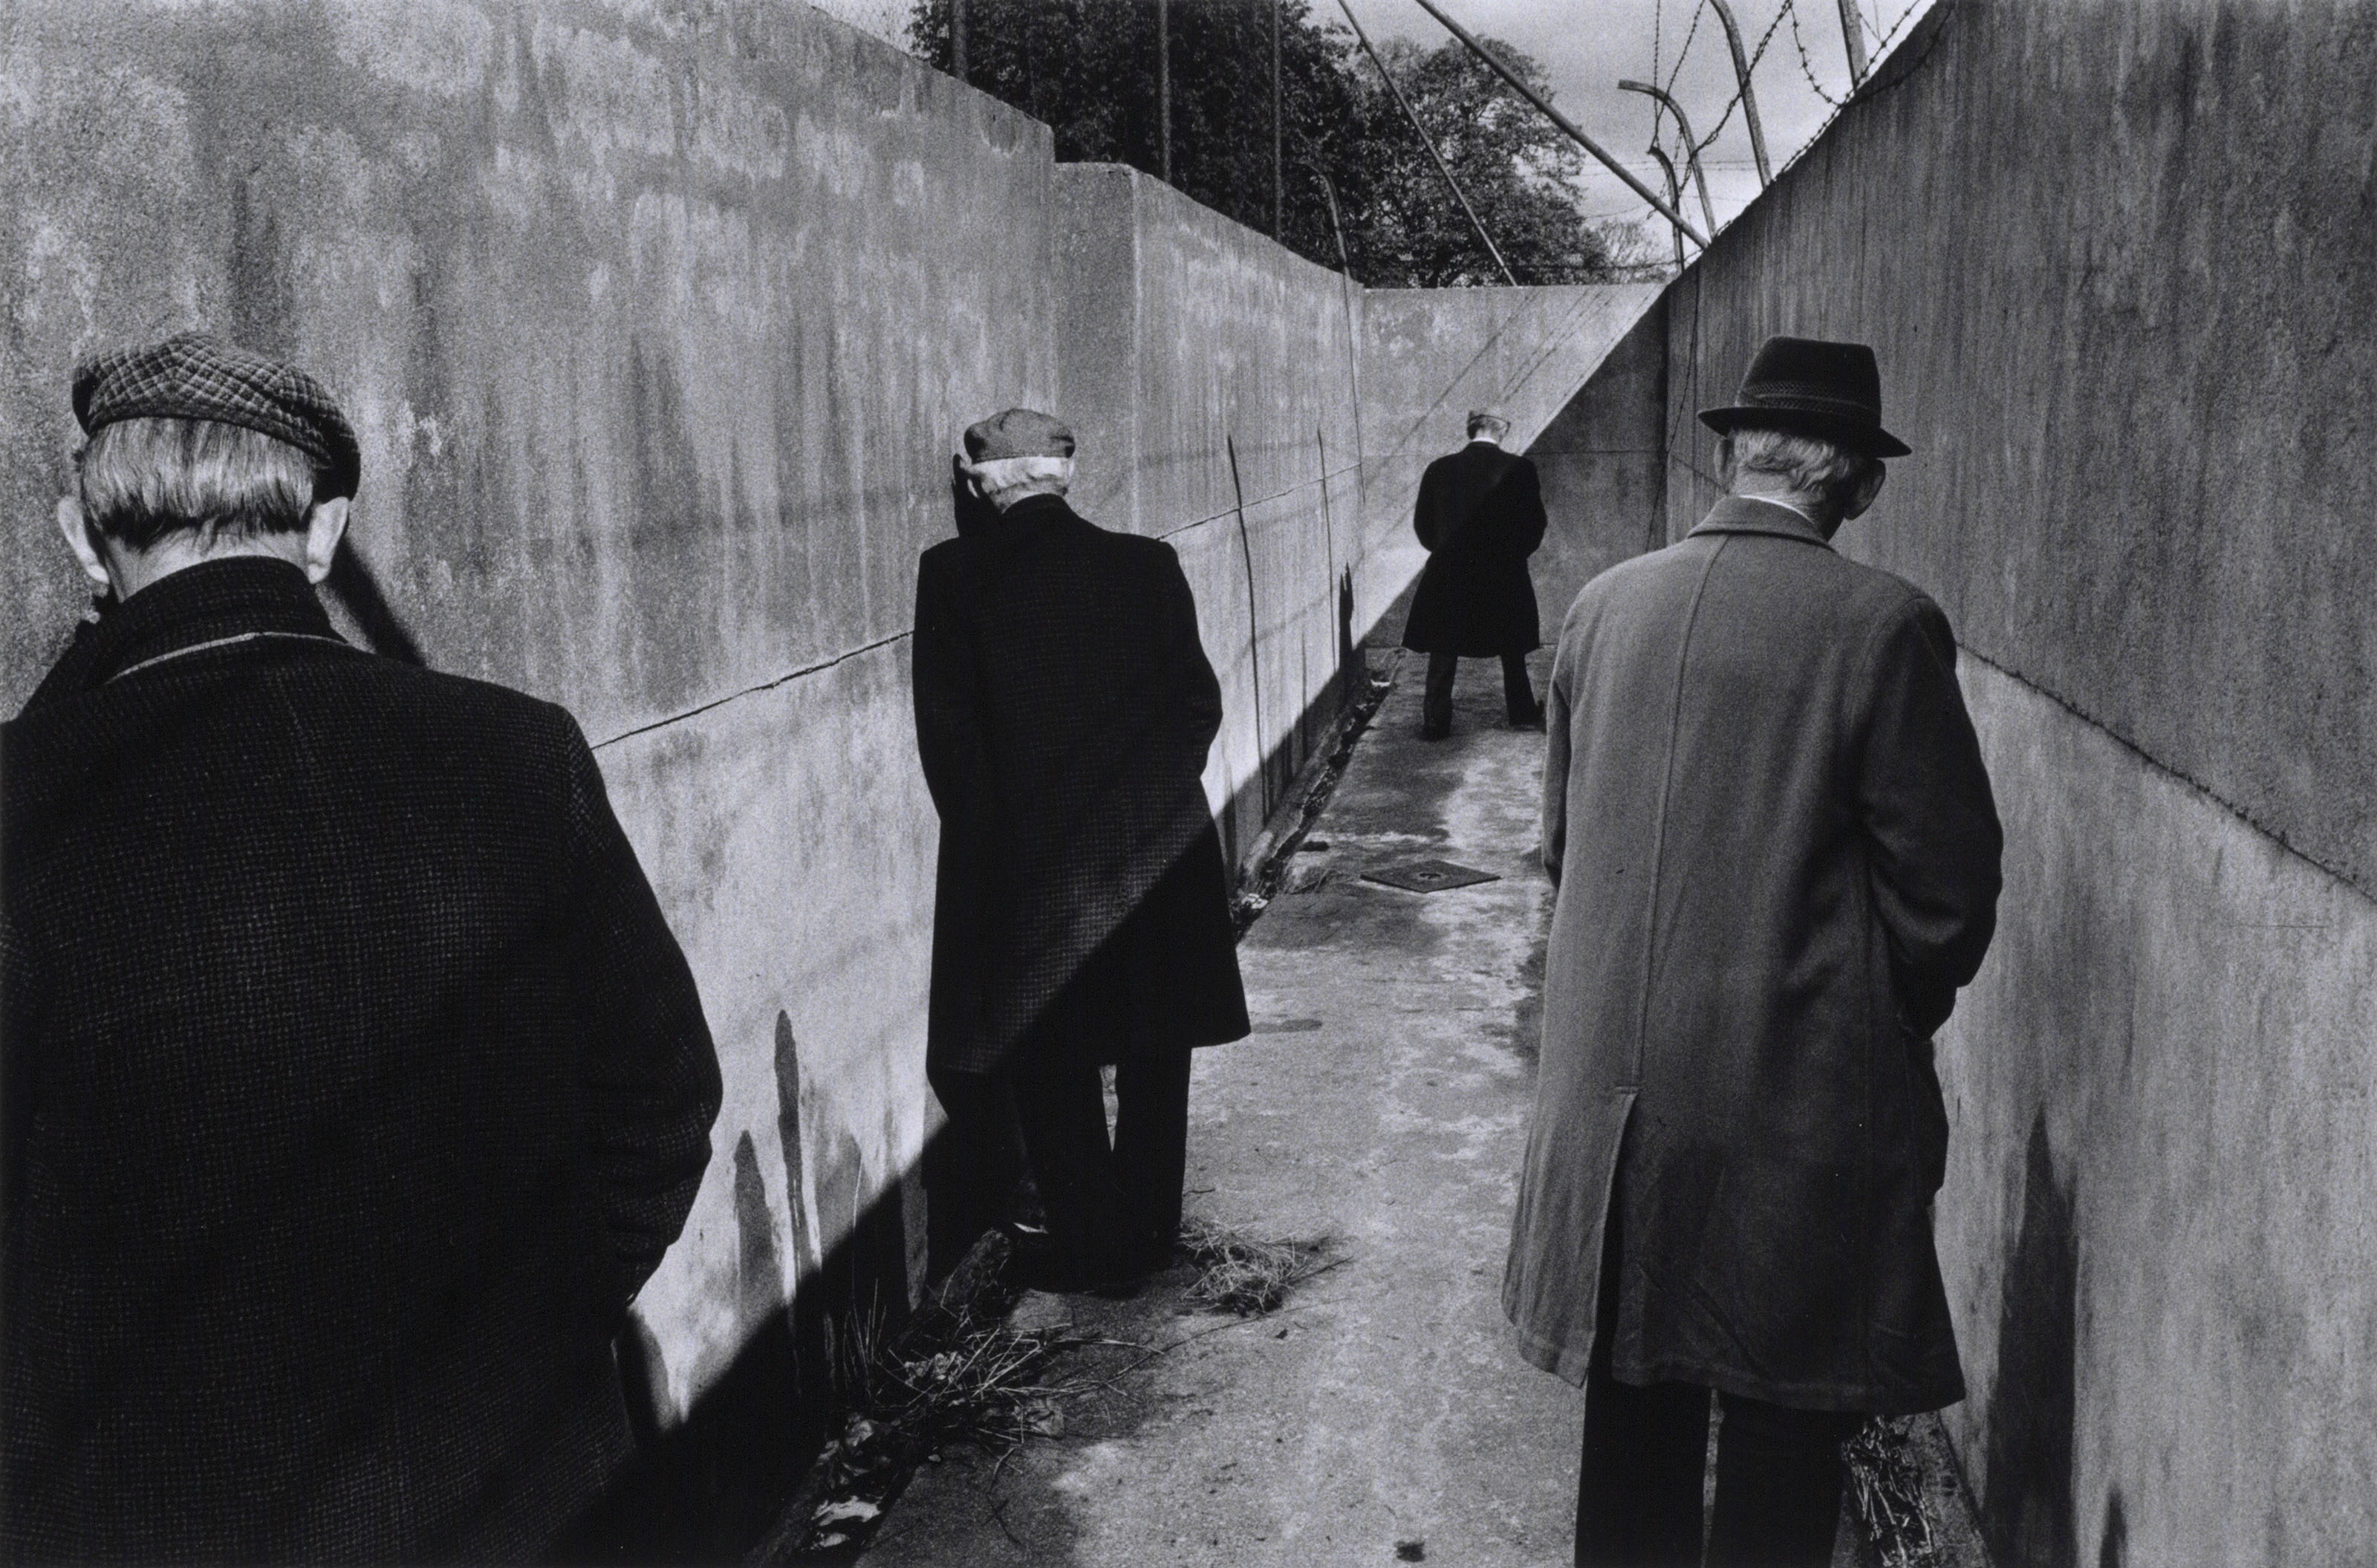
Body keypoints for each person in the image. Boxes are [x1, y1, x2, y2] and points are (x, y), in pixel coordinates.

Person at [0, 334, 722, 1562]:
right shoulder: (514, 753)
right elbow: (661, 1103)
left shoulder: (25, 805)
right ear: (326, 530)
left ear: (82, 533)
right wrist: (538, 1321)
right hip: (525, 1494)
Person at [1503, 336, 2003, 1567]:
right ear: (1861, 483)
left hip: (1612, 1102)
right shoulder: (1884, 626)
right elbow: (1945, 895)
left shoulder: (1604, 605)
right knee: (1786, 1414)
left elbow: (1563, 854)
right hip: (1791, 1097)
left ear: (1735, 455)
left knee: (1636, 1403)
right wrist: (1884, 1017)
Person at [912, 408, 1249, 1290]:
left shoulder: (951, 574)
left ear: (984, 483)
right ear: (1064, 473)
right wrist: (1152, 804)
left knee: (1050, 1062)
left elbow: (951, 745)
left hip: (1030, 872)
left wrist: (1004, 846)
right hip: (1155, 852)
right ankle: (1149, 1230)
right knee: (1153, 1047)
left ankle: (1098, 1251)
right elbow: (1196, 707)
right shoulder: (1146, 563)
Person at [1401, 409, 1550, 738]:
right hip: (1504, 573)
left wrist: (1447, 552)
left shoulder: (1439, 469)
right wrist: (1511, 557)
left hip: (1450, 572)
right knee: (1511, 645)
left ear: (1472, 431)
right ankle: (1522, 712)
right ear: (1501, 430)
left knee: (1444, 645)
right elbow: (1535, 525)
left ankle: (1435, 722)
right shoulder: (1520, 469)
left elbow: (1423, 526)